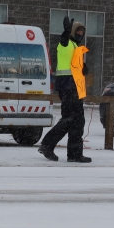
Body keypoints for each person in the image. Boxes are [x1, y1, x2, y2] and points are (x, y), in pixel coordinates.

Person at [38, 16, 91, 163]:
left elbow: (73, 66)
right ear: (72, 32)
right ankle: (47, 145)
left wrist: (83, 69)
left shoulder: (76, 47)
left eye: (82, 33)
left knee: (77, 121)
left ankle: (74, 154)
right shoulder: (67, 44)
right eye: (78, 32)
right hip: (68, 88)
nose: (80, 35)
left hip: (75, 88)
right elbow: (63, 41)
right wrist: (66, 32)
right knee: (70, 119)